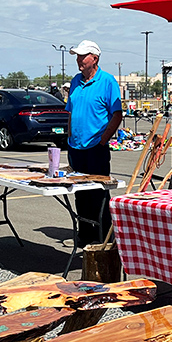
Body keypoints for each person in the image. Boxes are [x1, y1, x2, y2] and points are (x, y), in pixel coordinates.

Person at [65, 40, 122, 245]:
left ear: (94, 59)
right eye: (77, 56)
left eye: (82, 56)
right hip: (76, 147)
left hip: (96, 148)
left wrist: (103, 140)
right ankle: (85, 235)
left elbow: (117, 114)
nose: (79, 60)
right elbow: (70, 112)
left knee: (98, 193)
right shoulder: (75, 81)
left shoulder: (107, 81)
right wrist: (69, 137)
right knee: (80, 194)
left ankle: (103, 237)